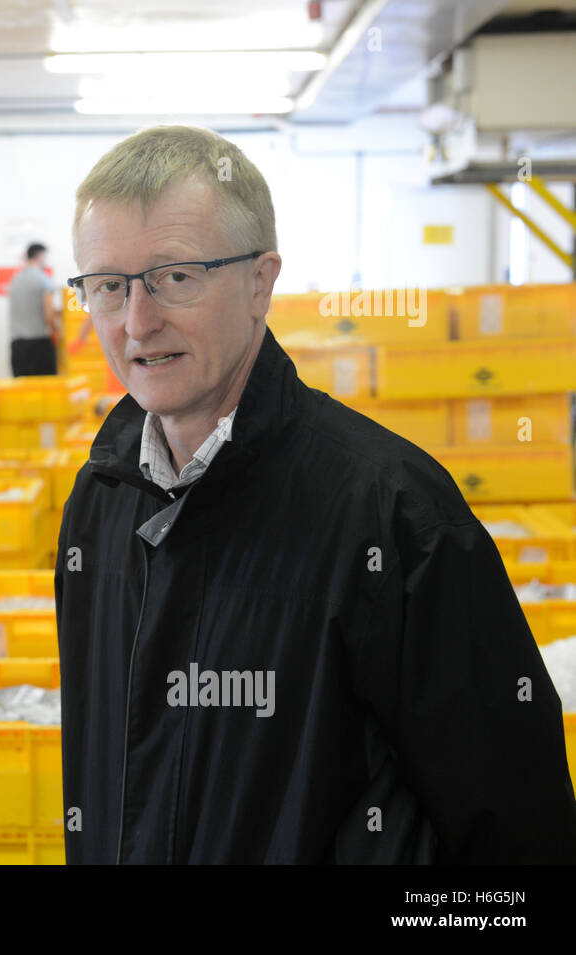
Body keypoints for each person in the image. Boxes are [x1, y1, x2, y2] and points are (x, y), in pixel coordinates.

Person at [56, 124, 576, 864]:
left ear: (261, 281)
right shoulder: (98, 503)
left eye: (176, 277)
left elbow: (517, 837)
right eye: (108, 285)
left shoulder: (395, 517)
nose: (137, 322)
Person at [7, 243, 61, 376]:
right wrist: (55, 330)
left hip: (17, 345)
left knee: (23, 390)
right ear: (40, 256)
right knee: (44, 389)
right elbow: (49, 314)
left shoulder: (15, 280)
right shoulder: (43, 280)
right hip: (39, 344)